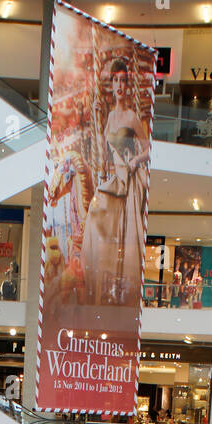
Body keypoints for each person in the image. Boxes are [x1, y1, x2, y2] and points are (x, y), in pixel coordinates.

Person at [80, 57, 150, 307]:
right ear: (111, 84)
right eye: (116, 80)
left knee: (116, 223)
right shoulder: (110, 116)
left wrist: (134, 162)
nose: (119, 85)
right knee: (95, 211)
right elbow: (102, 149)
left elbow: (147, 149)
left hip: (128, 179)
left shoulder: (131, 117)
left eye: (123, 80)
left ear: (127, 85)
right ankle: (96, 273)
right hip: (114, 176)